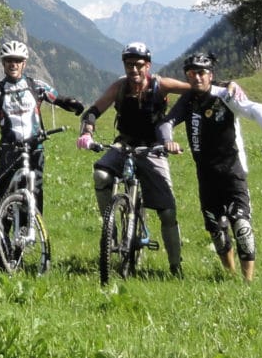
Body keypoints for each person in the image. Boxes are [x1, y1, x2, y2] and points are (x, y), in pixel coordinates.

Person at [165, 51, 262, 281]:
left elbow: (254, 109)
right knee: (216, 229)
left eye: (202, 72)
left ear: (211, 75)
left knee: (242, 225)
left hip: (232, 170)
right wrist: (167, 139)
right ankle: (229, 274)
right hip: (206, 174)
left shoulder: (225, 94)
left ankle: (248, 282)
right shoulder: (188, 100)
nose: (197, 77)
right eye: (192, 73)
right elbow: (168, 121)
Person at [77, 41, 190, 276]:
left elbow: (195, 88)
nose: (134, 70)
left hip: (153, 148)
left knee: (167, 212)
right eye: (129, 65)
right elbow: (94, 110)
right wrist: (87, 132)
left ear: (148, 65)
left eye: (139, 65)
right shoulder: (119, 87)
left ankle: (175, 266)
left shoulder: (160, 85)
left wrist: (225, 87)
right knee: (101, 175)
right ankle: (111, 227)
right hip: (125, 144)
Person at [0, 39, 85, 215]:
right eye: (9, 60)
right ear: (3, 63)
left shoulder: (36, 86)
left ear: (24, 63)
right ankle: (0, 229)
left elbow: (59, 99)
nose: (13, 64)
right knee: (4, 198)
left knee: (35, 195)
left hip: (35, 148)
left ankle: (32, 228)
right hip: (9, 150)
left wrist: (74, 105)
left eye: (17, 60)